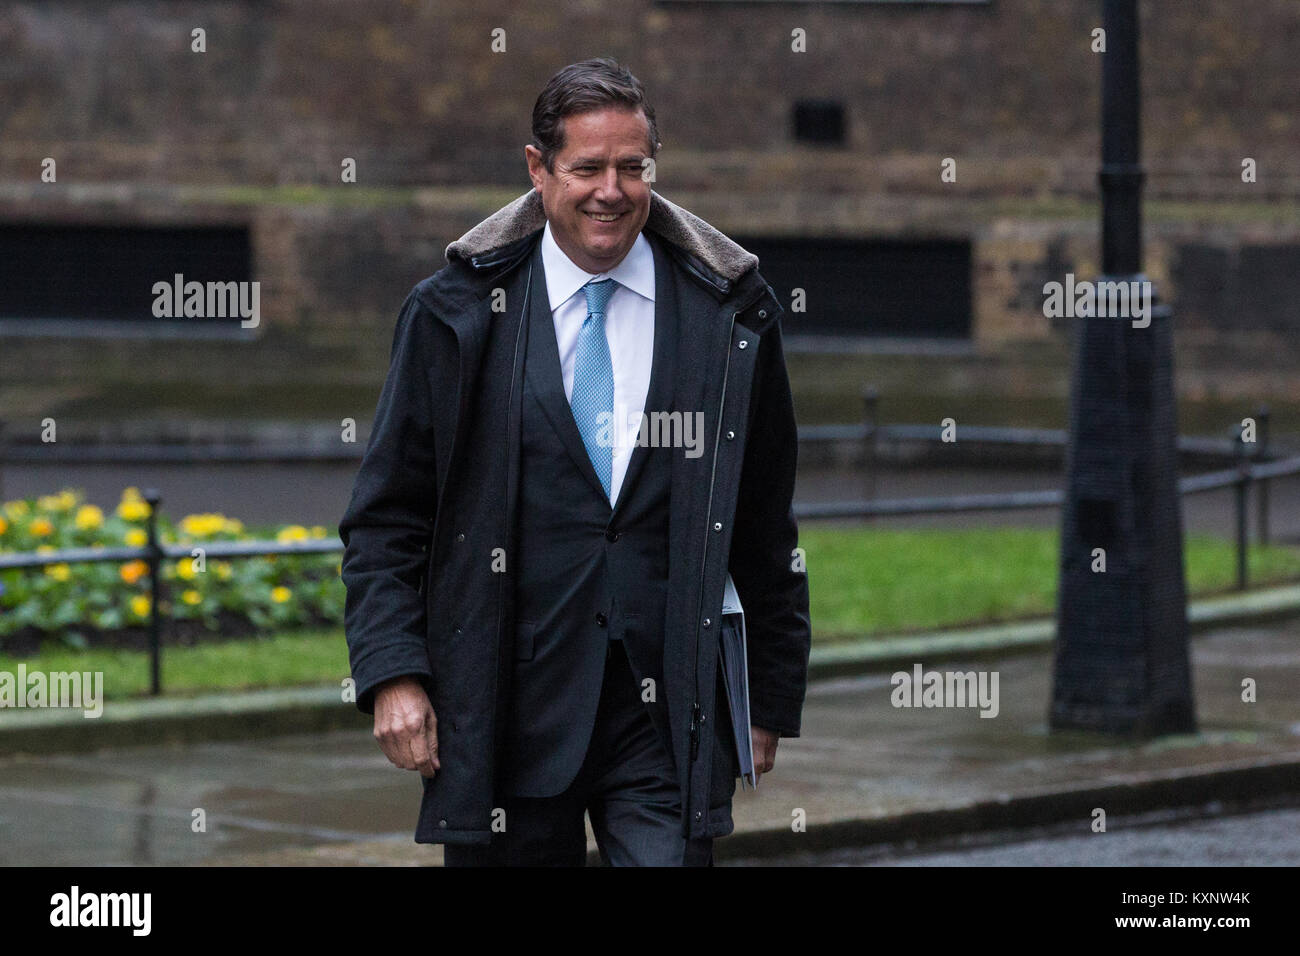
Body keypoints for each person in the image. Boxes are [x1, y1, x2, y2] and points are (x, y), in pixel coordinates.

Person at [339, 57, 810, 866]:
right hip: (508, 710)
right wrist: (393, 675)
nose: (613, 191)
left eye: (634, 168)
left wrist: (763, 699)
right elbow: (388, 518)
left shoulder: (726, 316)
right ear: (538, 170)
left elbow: (765, 525)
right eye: (587, 168)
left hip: (667, 719)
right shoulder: (456, 317)